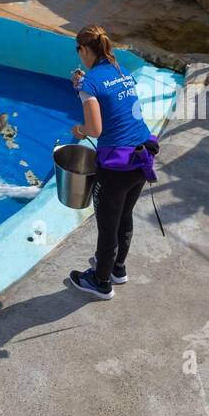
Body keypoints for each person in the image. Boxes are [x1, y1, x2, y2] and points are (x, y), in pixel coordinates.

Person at [66, 24, 158, 301]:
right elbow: (110, 99)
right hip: (142, 156)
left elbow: (94, 128)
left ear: (84, 49)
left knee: (107, 225)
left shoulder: (90, 83)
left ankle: (101, 281)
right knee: (124, 215)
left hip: (117, 164)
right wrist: (83, 85)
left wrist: (79, 130)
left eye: (78, 50)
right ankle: (117, 268)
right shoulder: (122, 71)